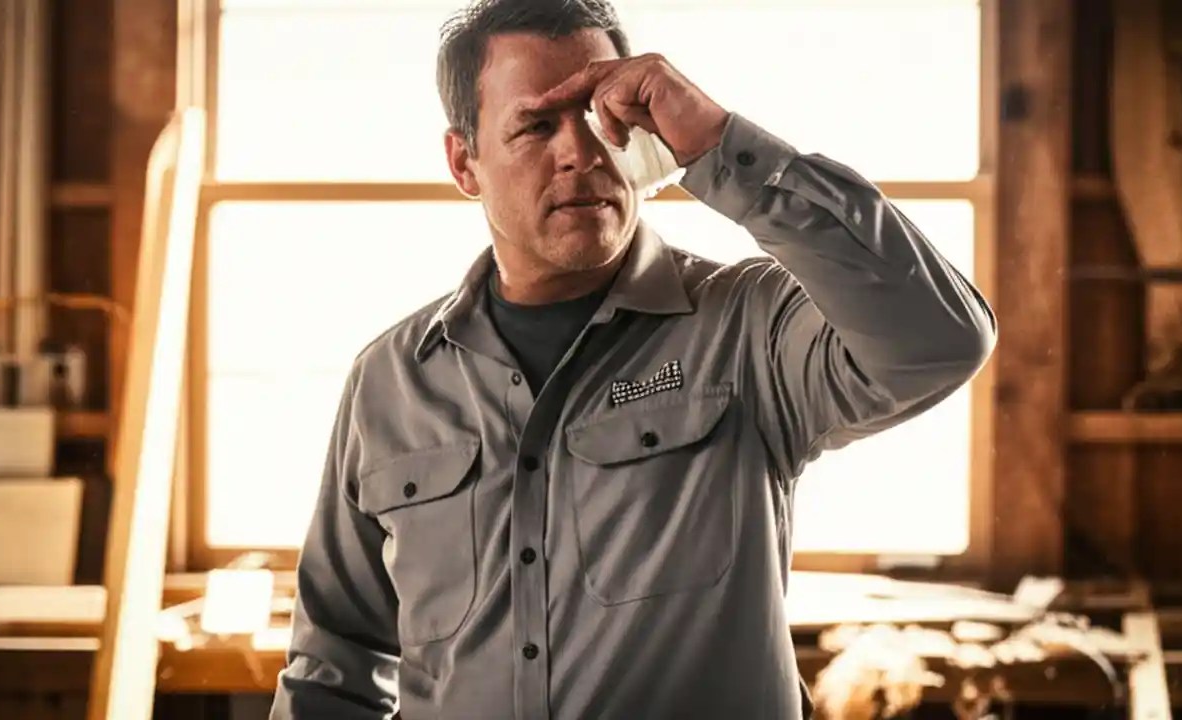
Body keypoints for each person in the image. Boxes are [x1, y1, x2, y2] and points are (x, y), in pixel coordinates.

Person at [270, 0, 996, 717]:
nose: (581, 152)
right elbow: (336, 658)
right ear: (465, 162)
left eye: (599, 116)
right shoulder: (391, 379)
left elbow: (940, 339)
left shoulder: (745, 328)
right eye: (536, 125)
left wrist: (718, 142)